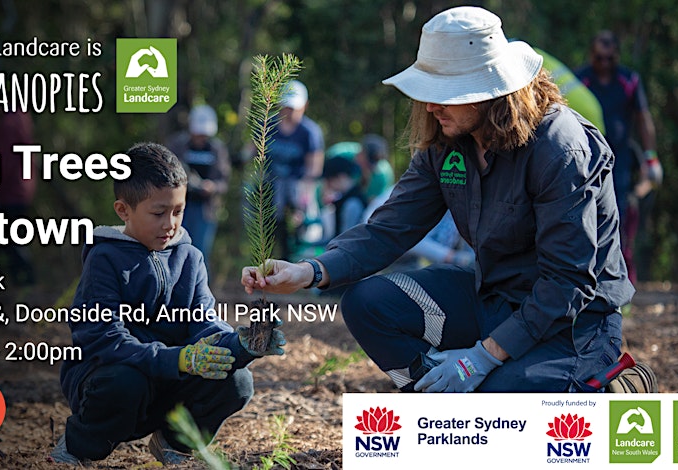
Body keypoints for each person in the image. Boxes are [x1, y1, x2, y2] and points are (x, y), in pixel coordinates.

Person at [242, 6, 642, 393]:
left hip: (572, 324)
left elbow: (567, 283)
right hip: (492, 299)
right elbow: (388, 229)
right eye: (427, 92)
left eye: (444, 93)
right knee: (367, 303)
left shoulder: (559, 149)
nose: (430, 106)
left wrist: (480, 359)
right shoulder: (447, 144)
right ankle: (437, 402)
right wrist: (310, 271)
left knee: (495, 400)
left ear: (491, 91)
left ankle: (611, 388)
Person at [52, 143, 285, 465]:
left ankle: (174, 442)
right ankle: (78, 447)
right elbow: (104, 339)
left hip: (172, 379)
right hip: (113, 381)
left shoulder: (189, 257)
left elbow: (203, 321)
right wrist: (177, 359)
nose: (170, 224)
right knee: (123, 382)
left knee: (237, 381)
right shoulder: (104, 259)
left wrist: (240, 344)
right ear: (124, 210)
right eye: (158, 213)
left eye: (178, 211)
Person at [574, 30, 663, 284]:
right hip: (587, 163)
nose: (604, 63)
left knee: (620, 220)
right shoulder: (580, 81)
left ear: (616, 56)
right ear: (592, 55)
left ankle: (619, 284)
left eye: (609, 58)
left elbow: (643, 118)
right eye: (599, 58)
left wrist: (651, 158)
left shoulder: (628, 80)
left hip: (620, 163)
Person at [165, 104, 231, 273]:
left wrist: (212, 187)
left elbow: (224, 180)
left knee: (199, 252)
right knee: (174, 248)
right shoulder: (178, 145)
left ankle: (199, 293)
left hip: (205, 210)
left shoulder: (217, 149)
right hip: (178, 208)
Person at [265, 79, 325, 260]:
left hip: (298, 188)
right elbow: (253, 154)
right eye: (286, 107)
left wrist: (302, 199)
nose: (289, 112)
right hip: (271, 186)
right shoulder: (268, 125)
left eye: (294, 108)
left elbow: (314, 169)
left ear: (304, 106)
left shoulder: (310, 132)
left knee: (301, 230)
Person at [0, 110, 37, 286]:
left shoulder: (9, 123)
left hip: (12, 192)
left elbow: (6, 161)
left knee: (7, 241)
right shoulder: (21, 117)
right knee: (8, 239)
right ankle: (18, 287)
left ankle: (24, 288)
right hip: (21, 189)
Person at [354, 134, 395, 206]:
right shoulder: (343, 155)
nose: (369, 167)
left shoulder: (383, 175)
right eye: (367, 162)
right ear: (361, 152)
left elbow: (376, 202)